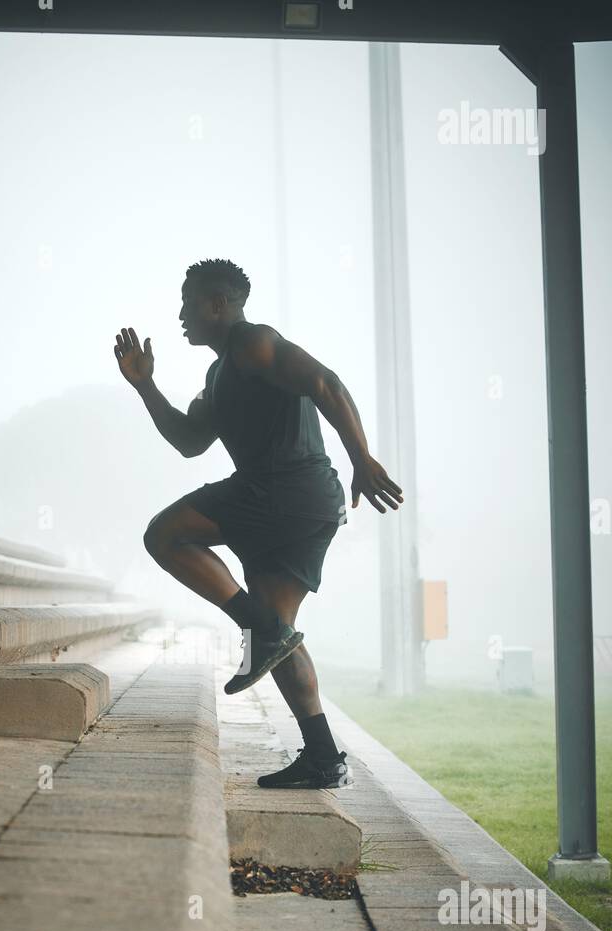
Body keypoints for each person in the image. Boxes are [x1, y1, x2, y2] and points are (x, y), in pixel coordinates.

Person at [114, 257, 403, 789]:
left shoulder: (253, 343)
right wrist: (144, 386)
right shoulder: (219, 372)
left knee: (164, 534)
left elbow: (325, 381)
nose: (181, 313)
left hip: (285, 490)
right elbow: (189, 442)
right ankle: (322, 755)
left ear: (218, 304)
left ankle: (262, 629)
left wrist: (362, 457)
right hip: (303, 504)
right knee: (281, 636)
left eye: (189, 301)